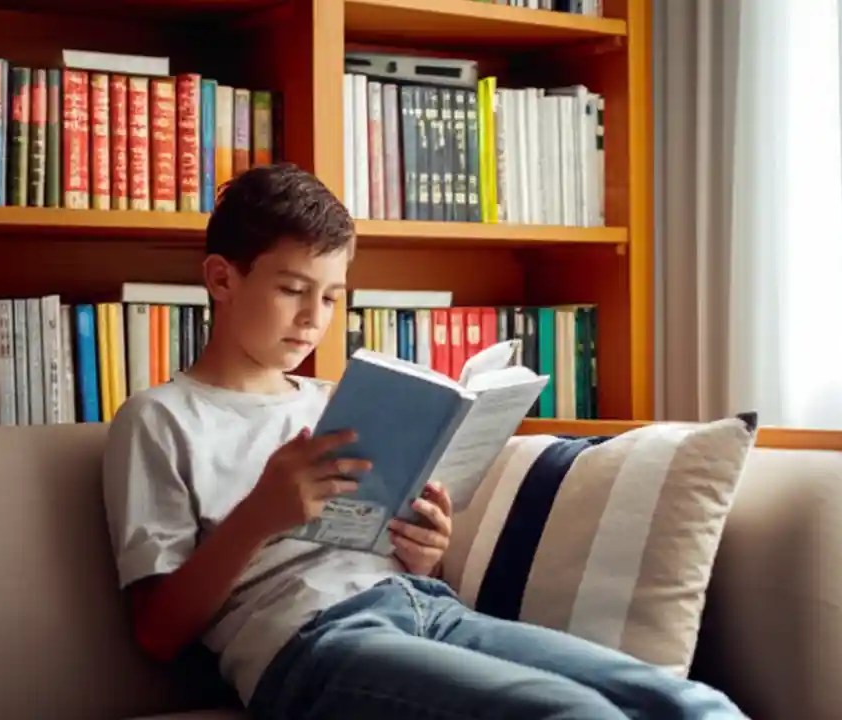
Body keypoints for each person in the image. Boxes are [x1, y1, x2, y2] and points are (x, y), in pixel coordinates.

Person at [101, 163, 746, 720]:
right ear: (221, 279)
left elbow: (379, 543)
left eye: (330, 297)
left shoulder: (337, 401)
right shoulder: (160, 418)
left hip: (427, 608)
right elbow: (158, 632)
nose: (313, 318)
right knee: (576, 713)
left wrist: (426, 549)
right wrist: (260, 516)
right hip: (309, 644)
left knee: (685, 704)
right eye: (292, 290)